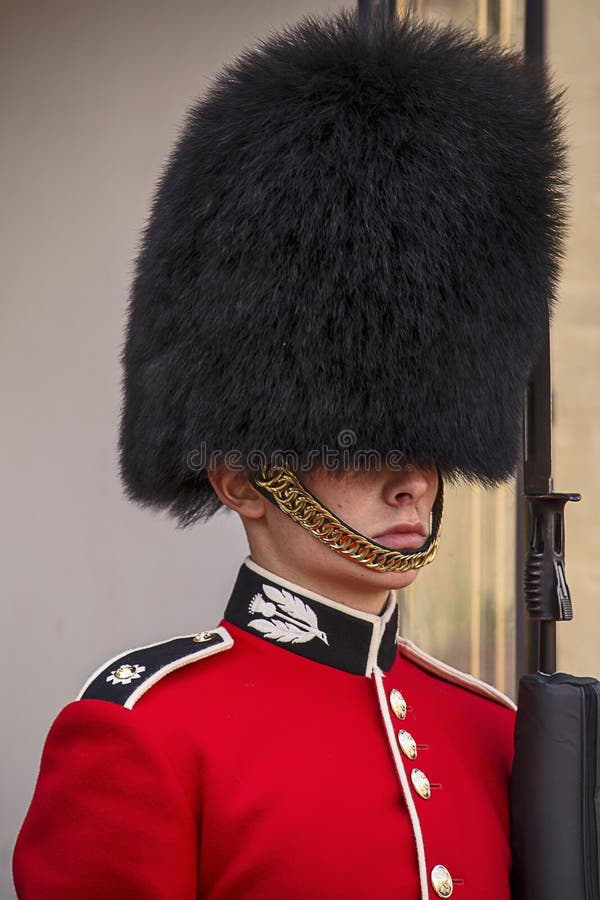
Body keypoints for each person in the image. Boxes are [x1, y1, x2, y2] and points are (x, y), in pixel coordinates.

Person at [13, 8, 566, 899]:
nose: (413, 478)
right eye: (358, 440)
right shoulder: (145, 732)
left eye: (425, 438)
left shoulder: (489, 731)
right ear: (242, 481)